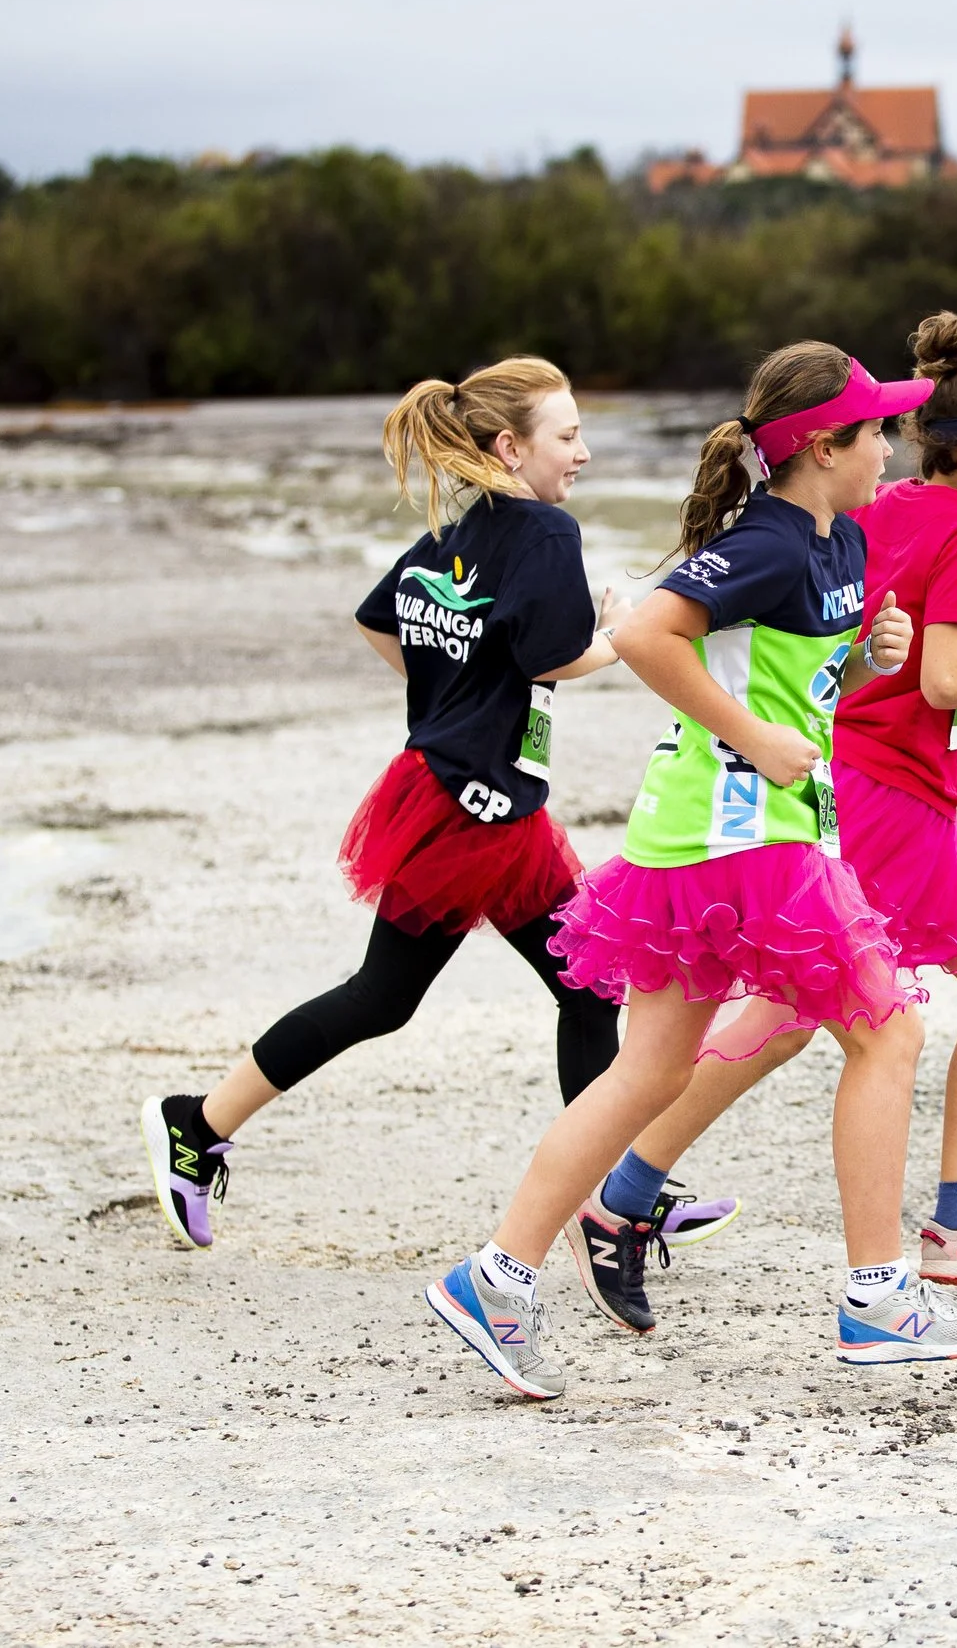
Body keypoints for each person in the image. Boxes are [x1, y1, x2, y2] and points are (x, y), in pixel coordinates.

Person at [424, 342, 957, 1399]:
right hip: (740, 837)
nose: (891, 445)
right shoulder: (772, 540)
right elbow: (651, 631)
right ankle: (880, 1300)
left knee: (648, 1070)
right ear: (822, 446)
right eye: (874, 430)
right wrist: (753, 733)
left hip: (704, 836)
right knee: (890, 1030)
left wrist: (872, 647)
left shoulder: (834, 540)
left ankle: (495, 1275)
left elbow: (791, 654)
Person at [136, 357, 737, 1251]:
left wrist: (447, 696)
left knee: (585, 982)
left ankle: (614, 1192)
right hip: (468, 810)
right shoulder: (540, 532)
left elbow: (380, 620)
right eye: (566, 435)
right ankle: (194, 1123)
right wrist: (623, 630)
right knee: (391, 994)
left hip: (473, 795)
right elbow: (553, 656)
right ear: (510, 445)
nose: (582, 452)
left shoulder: (466, 528)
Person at [597, 311, 957, 1301]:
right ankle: (952, 1224)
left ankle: (624, 1187)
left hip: (841, 781)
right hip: (893, 795)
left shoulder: (878, 507)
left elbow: (842, 637)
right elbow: (946, 680)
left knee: (792, 1012)